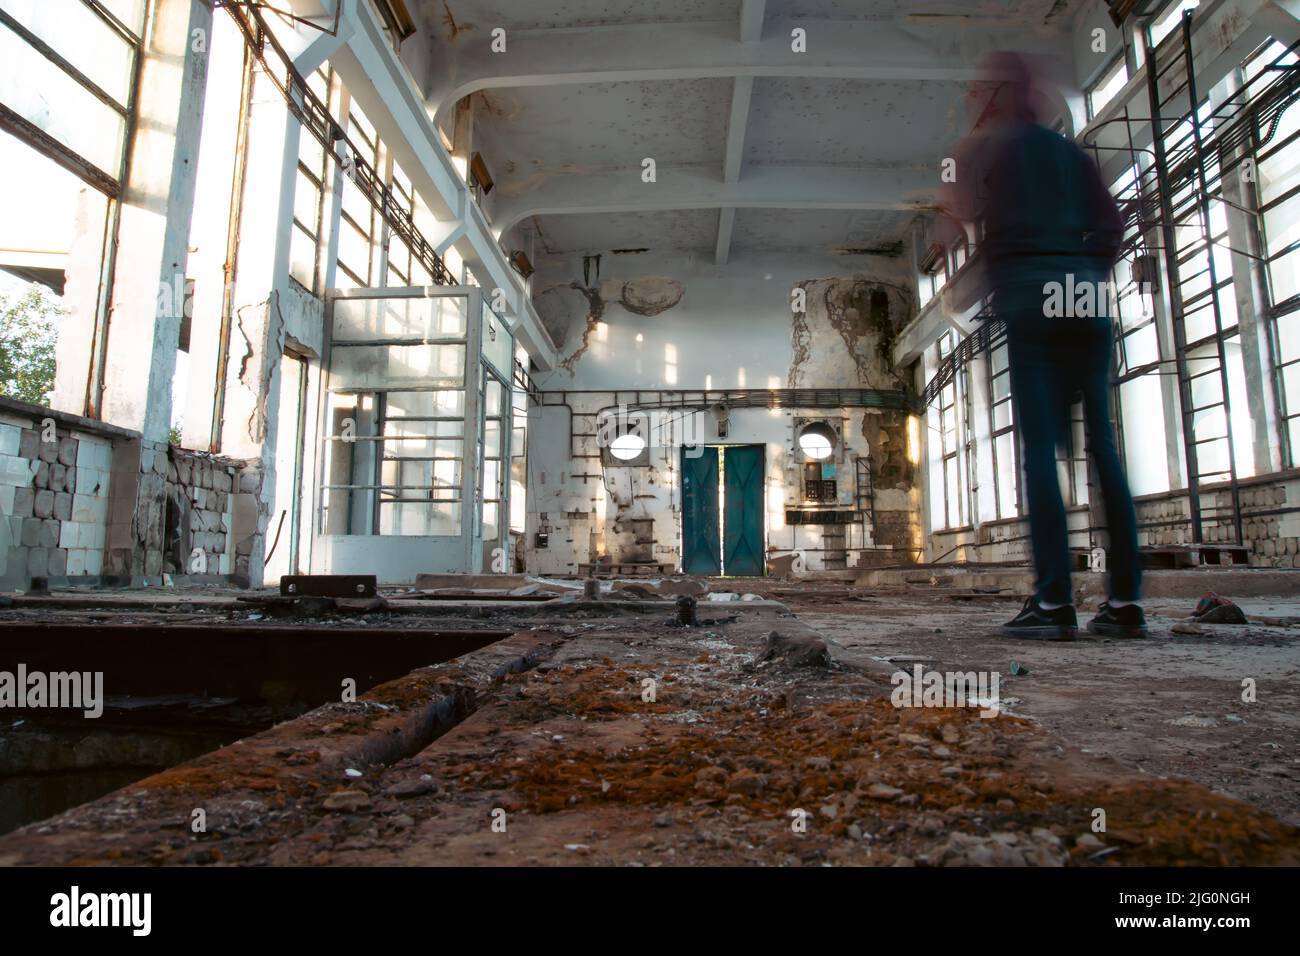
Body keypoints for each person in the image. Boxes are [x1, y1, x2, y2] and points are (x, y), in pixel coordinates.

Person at [936, 51, 1147, 640]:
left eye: (980, 93)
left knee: (1039, 453)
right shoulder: (1071, 154)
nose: (975, 103)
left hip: (1030, 293)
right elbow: (1112, 226)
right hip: (1085, 294)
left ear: (997, 98)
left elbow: (949, 223)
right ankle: (1126, 603)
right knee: (1102, 446)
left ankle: (1054, 603)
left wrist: (995, 265)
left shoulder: (982, 150)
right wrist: (1080, 275)